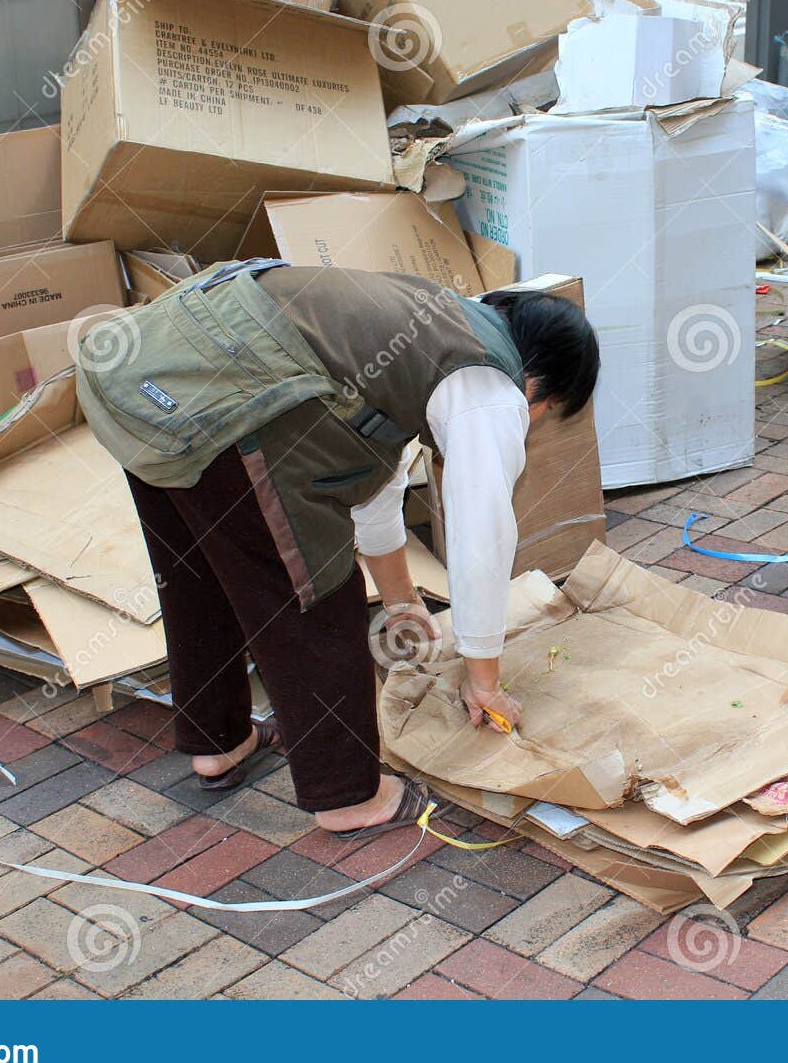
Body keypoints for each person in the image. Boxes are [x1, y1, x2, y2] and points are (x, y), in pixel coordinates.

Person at [75, 261, 600, 840]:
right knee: (313, 595)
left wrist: (402, 600)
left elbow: (374, 478)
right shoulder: (488, 387)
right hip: (218, 408)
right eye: (545, 415)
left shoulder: (428, 324)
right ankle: (349, 796)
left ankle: (218, 743)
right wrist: (484, 678)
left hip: (138, 380)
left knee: (200, 572)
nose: (530, 426)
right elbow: (483, 540)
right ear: (539, 383)